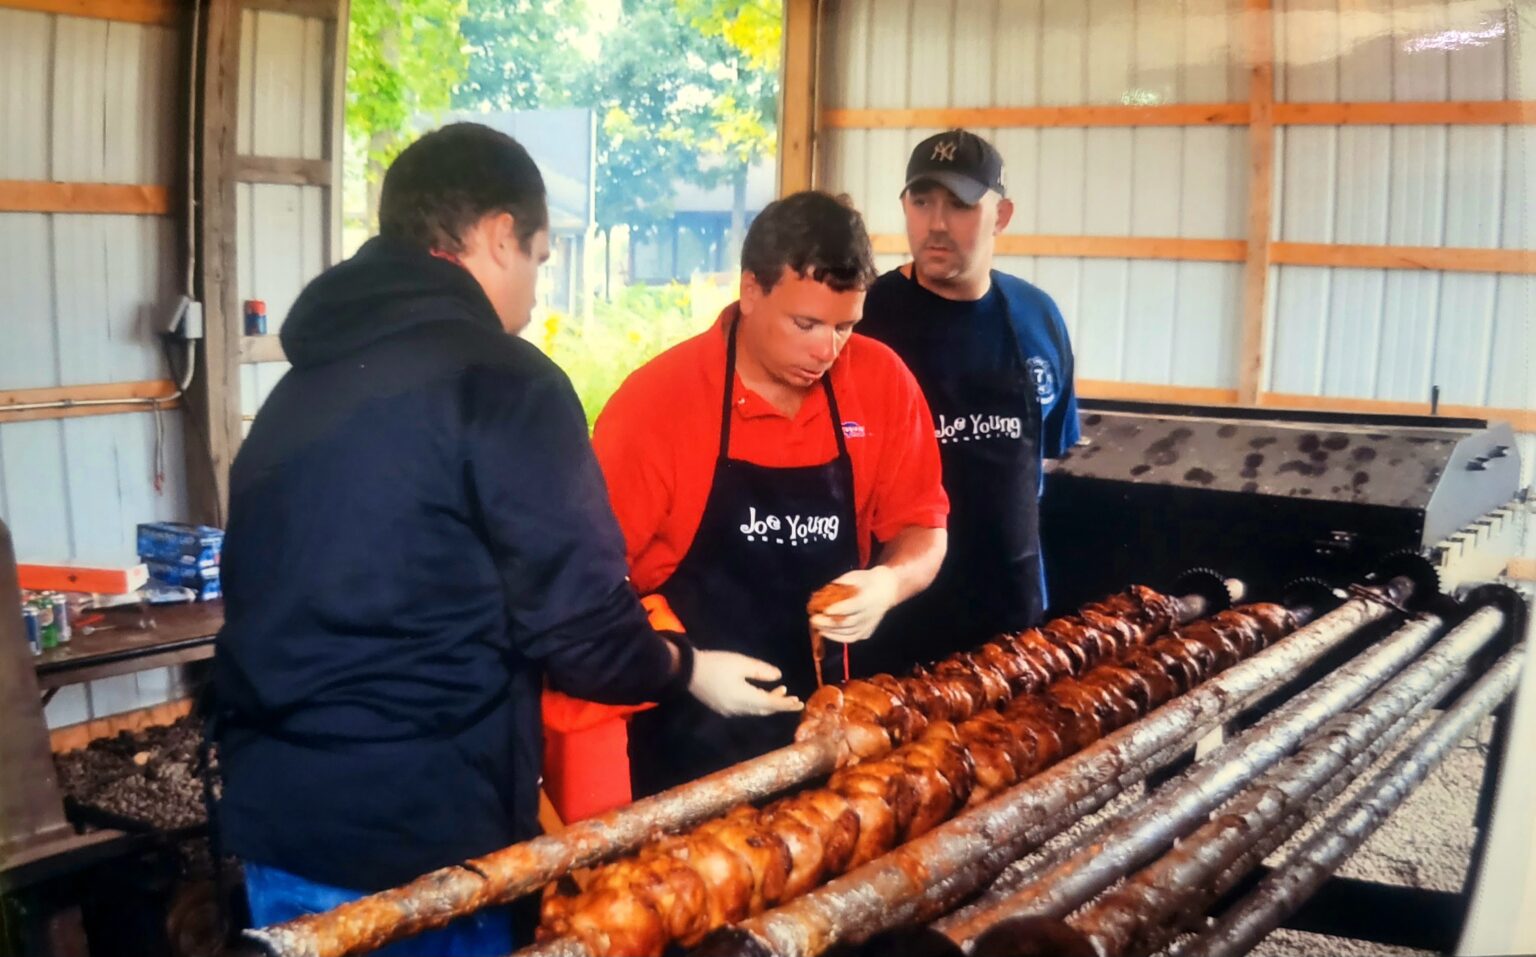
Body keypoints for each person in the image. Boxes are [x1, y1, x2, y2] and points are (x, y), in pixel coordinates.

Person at [211, 123, 790, 954]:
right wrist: (689, 668)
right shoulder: (508, 382)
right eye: (540, 259)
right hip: (426, 849)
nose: (536, 291)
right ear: (494, 236)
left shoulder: (301, 389)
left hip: (281, 829)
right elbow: (584, 629)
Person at [592, 191, 950, 797]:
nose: (825, 350)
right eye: (805, 323)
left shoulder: (880, 381)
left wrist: (891, 583)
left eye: (845, 327)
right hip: (683, 736)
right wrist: (685, 670)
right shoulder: (659, 404)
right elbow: (589, 588)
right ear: (750, 291)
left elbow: (923, 526)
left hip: (829, 737)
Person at [856, 129, 1081, 670]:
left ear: (1001, 216)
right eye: (922, 201)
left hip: (1012, 627)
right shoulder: (863, 321)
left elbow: (1044, 456)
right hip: (891, 631)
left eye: (959, 205)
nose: (936, 223)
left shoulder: (1037, 316)